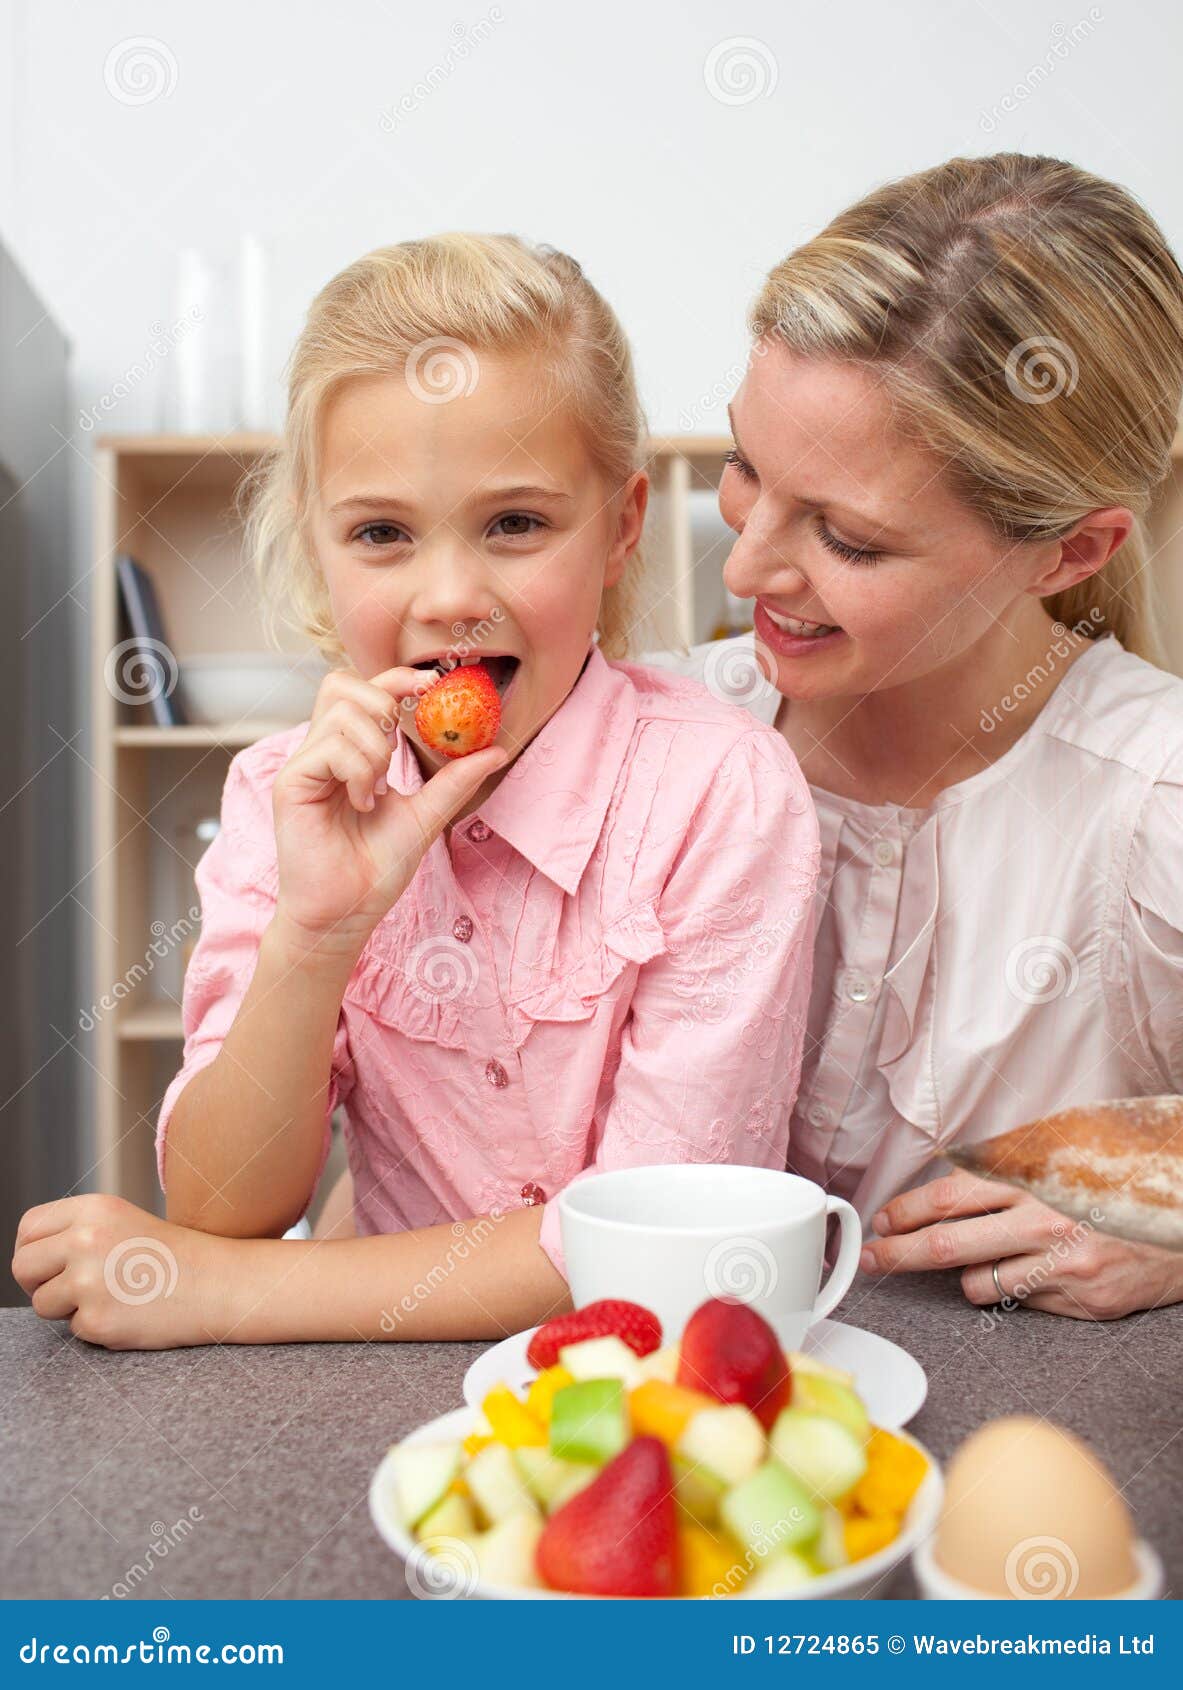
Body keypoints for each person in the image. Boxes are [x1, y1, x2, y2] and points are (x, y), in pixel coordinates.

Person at [12, 233, 819, 1348]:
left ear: (622, 524)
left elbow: (653, 1245)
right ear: (317, 541)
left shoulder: (719, 793)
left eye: (515, 524)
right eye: (382, 533)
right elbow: (219, 1204)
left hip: (647, 1399)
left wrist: (222, 1290)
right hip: (372, 1401)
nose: (450, 595)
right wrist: (315, 931)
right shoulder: (275, 797)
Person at [657, 153, 1183, 1321]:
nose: (741, 569)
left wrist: (1170, 1211)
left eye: (847, 538)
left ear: (1069, 552)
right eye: (745, 467)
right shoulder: (652, 742)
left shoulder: (1150, 798)